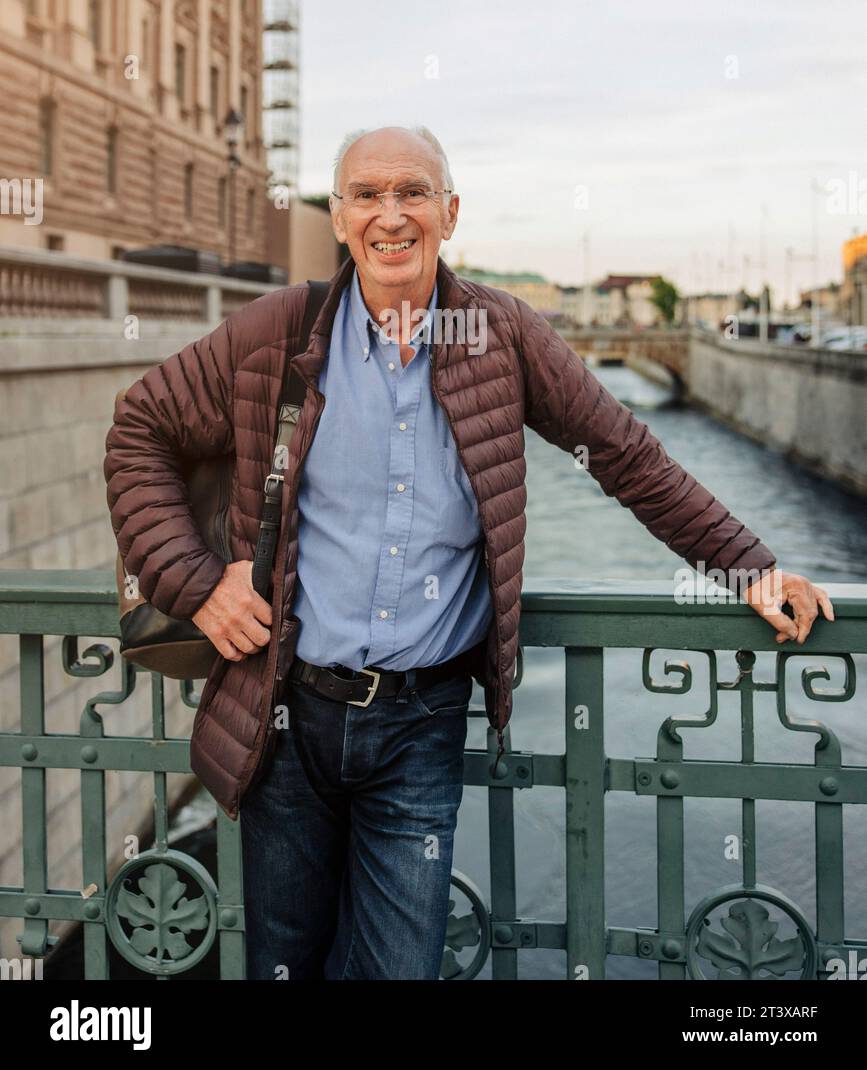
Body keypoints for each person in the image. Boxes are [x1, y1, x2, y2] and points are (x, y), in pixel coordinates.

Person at [104, 124, 834, 980]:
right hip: (283, 709)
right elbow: (139, 430)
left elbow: (627, 456)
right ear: (338, 218)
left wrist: (747, 566)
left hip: (420, 722)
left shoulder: (503, 334)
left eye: (412, 193)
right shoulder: (279, 332)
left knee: (400, 969)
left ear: (449, 213)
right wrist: (193, 585)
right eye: (366, 196)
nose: (390, 215)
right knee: (282, 963)